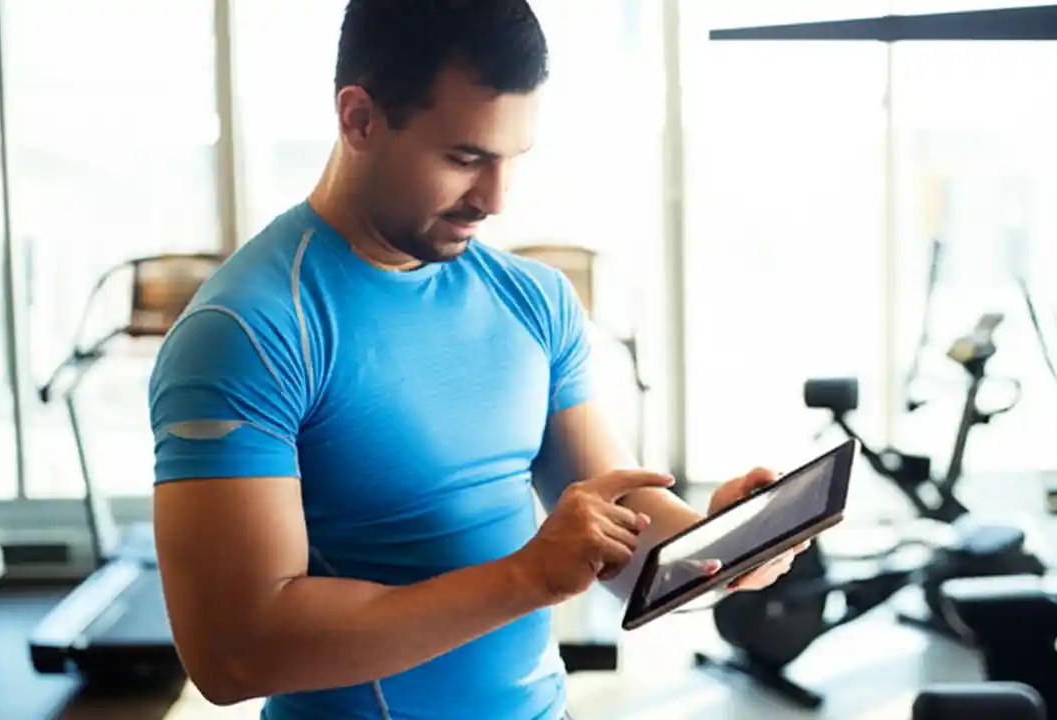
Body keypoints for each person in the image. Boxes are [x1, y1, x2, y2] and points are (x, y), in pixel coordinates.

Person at [149, 2, 806, 719]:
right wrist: (527, 577)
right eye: (464, 158)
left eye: (510, 160)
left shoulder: (533, 300)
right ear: (359, 119)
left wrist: (729, 552)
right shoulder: (249, 330)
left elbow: (628, 544)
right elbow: (234, 654)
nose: (494, 199)